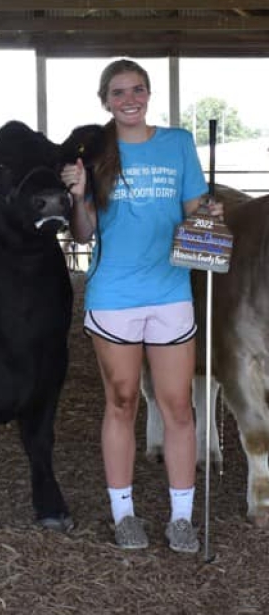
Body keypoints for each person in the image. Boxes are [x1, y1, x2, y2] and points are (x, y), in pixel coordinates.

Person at [61, 58, 223, 555]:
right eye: (117, 92)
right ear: (104, 100)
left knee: (178, 406)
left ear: (149, 94)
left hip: (170, 292)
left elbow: (195, 211)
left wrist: (210, 215)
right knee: (123, 402)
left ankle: (181, 517)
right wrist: (80, 196)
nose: (128, 99)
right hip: (114, 296)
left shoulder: (177, 144)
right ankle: (124, 513)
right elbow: (85, 235)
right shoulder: (96, 152)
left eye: (137, 90)